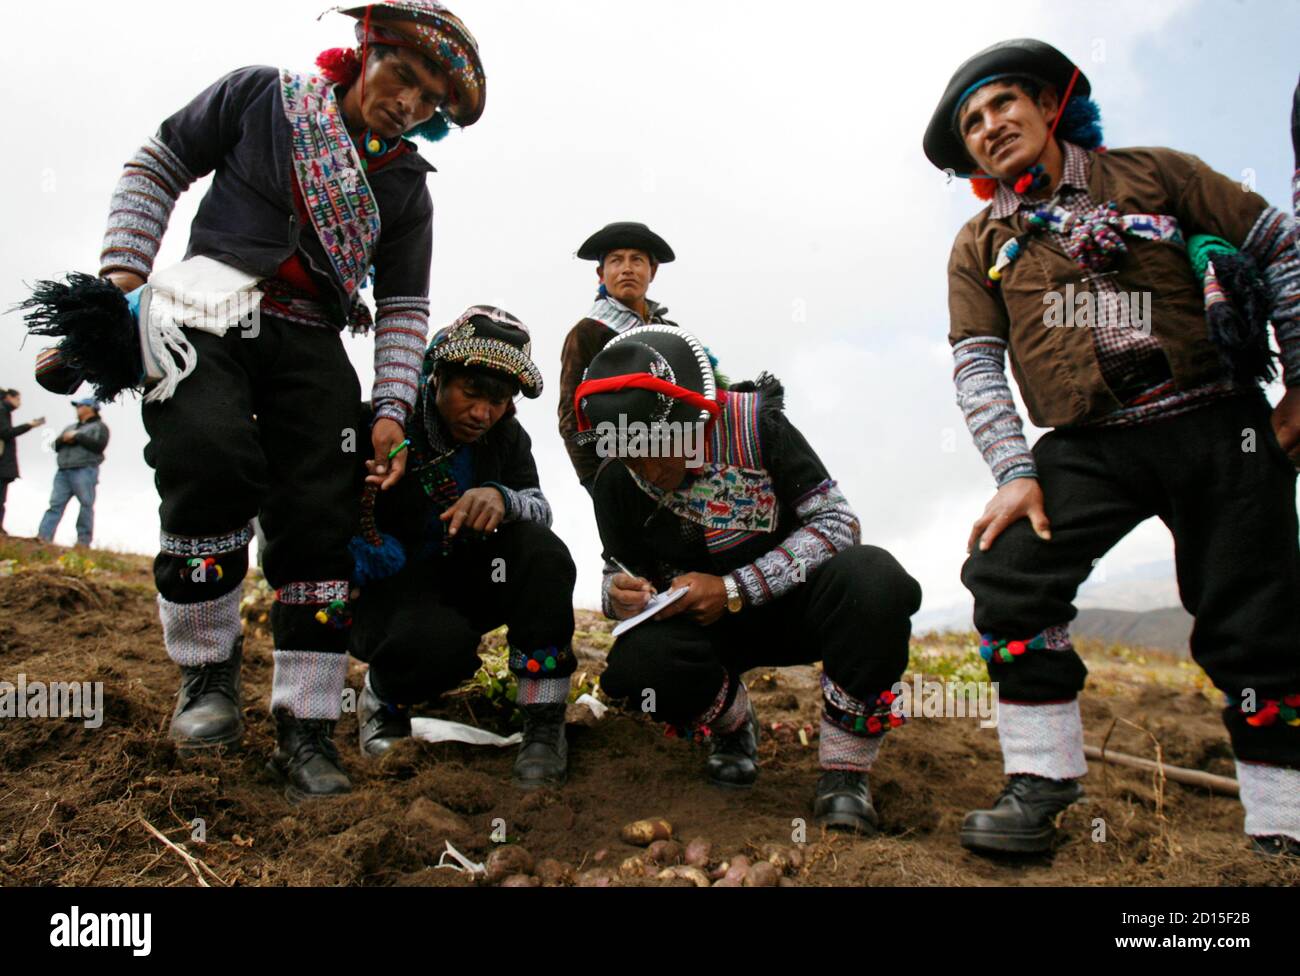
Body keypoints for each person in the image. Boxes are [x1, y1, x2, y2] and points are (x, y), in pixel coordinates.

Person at [90, 0, 487, 800]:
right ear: (364, 51)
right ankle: (206, 679)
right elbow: (159, 161)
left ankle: (305, 729)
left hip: (310, 339)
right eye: (401, 75)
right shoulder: (261, 96)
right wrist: (123, 283)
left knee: (320, 512)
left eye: (428, 100)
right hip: (205, 312)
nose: (408, 103)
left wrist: (385, 413)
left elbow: (405, 310)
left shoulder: (406, 189)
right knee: (206, 458)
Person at [924, 38, 1300, 856]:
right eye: (972, 123)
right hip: (1088, 444)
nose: (990, 127)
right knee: (1009, 571)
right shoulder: (980, 244)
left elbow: (1279, 244)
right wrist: (1015, 472)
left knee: (1257, 616)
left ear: (1048, 106)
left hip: (1218, 422)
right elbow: (976, 364)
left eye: (1002, 105)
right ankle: (1041, 782)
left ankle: (1284, 822)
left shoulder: (1158, 174)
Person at [578, 326, 922, 832]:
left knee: (875, 581)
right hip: (707, 634)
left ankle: (846, 772)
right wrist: (616, 594)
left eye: (661, 449)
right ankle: (733, 727)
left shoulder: (757, 427)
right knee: (639, 663)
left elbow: (837, 523)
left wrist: (737, 588)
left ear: (696, 422)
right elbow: (620, 569)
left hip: (795, 607)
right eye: (634, 456)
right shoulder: (616, 482)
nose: (649, 469)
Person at [348, 306, 576, 787]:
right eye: (471, 394)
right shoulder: (386, 425)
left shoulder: (506, 438)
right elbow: (315, 504)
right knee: (437, 649)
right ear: (436, 378)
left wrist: (502, 498)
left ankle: (543, 719)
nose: (482, 413)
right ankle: (384, 697)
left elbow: (540, 506)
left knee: (542, 552)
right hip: (389, 590)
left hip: (465, 578)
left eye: (498, 402)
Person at [557, 221, 677, 490]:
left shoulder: (669, 331)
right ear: (601, 273)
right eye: (616, 261)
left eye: (637, 260)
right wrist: (595, 480)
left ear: (652, 271)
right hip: (615, 467)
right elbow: (570, 415)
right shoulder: (588, 333)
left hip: (671, 464)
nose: (627, 269)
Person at [37, 399, 108, 548]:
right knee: (55, 505)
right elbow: (54, 446)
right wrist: (64, 439)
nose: (77, 408)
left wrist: (78, 437)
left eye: (80, 406)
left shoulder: (100, 427)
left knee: (85, 505)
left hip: (85, 470)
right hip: (63, 471)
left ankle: (83, 542)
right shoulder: (70, 427)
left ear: (91, 408)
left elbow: (99, 446)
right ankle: (43, 537)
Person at [0, 389, 43, 536]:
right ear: (9, 397)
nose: (19, 403)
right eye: (18, 399)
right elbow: (5, 432)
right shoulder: (1, 410)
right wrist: (29, 425)